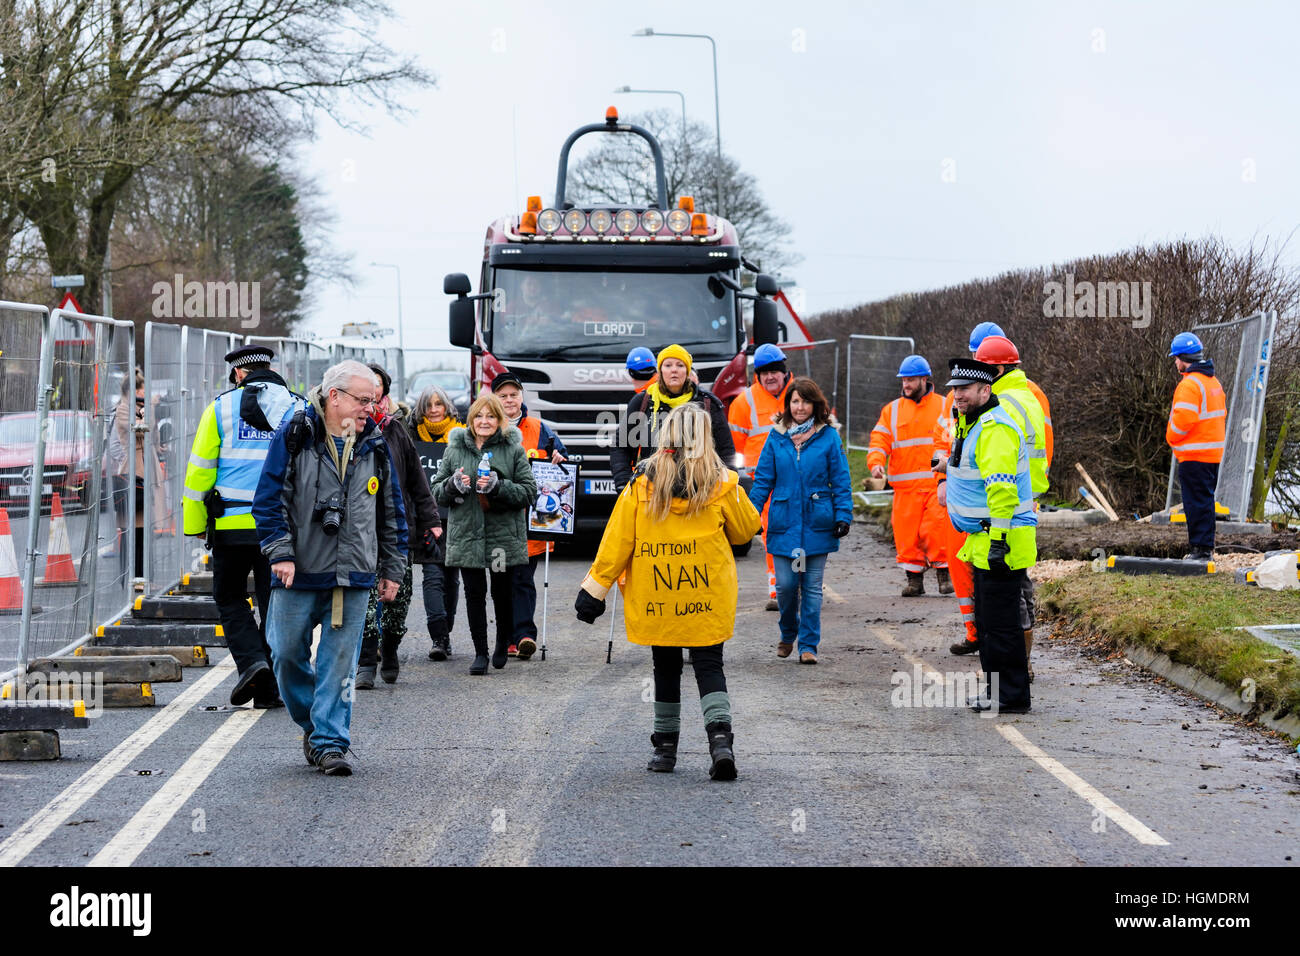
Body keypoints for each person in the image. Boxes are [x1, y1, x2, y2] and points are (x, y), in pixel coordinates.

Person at [574, 403, 762, 780]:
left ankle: (665, 749)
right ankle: (720, 743)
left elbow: (617, 542)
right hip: (706, 593)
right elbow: (745, 531)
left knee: (666, 667)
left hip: (658, 594)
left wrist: (594, 590)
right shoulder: (722, 482)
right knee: (710, 666)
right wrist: (738, 485)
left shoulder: (642, 483)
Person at [253, 360, 407, 776]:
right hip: (296, 571)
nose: (369, 409)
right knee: (285, 657)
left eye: (373, 401)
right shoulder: (296, 434)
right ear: (334, 396)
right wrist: (280, 552)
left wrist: (393, 568)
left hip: (353, 575)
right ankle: (313, 724)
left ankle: (329, 743)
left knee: (340, 666)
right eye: (362, 400)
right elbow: (268, 500)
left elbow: (391, 513)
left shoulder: (375, 445)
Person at [182, 345, 302, 708]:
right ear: (268, 368)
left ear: (238, 374)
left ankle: (252, 663)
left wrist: (196, 525)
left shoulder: (220, 409)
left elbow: (200, 472)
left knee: (230, 596)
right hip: (280, 528)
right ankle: (270, 690)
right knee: (273, 604)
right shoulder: (297, 407)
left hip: (230, 525)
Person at [942, 357, 1034, 714]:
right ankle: (997, 691)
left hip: (1001, 542)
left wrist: (998, 540)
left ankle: (1011, 696)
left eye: (964, 390)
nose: (957, 396)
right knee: (990, 626)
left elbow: (1002, 492)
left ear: (985, 390)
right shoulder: (974, 424)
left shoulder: (994, 428)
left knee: (1002, 626)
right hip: (983, 542)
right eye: (954, 390)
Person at [748, 378, 853, 663]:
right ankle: (788, 631)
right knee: (785, 586)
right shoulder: (776, 436)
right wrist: (750, 516)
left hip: (817, 525)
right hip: (784, 525)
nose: (800, 407)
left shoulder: (829, 436)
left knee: (811, 588)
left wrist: (843, 514)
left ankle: (808, 646)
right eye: (795, 401)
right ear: (788, 405)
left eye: (806, 401)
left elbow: (841, 479)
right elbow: (763, 481)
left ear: (814, 404)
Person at [431, 392, 537, 675]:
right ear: (471, 418)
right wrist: (453, 485)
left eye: (491, 416)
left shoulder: (512, 449)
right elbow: (437, 492)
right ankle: (481, 652)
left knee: (501, 592)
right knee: (474, 593)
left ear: (500, 419)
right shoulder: (454, 449)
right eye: (479, 415)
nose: (484, 421)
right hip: (467, 535)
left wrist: (498, 487)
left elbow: (529, 492)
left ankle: (503, 640)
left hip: (501, 537)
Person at [355, 364, 441, 689]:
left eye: (376, 385)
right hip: (359, 532)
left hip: (396, 529)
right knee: (362, 597)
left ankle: (389, 646)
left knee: (398, 598)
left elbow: (418, 480)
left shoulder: (395, 430)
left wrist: (431, 520)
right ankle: (365, 660)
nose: (371, 389)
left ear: (384, 393)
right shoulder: (349, 429)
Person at [973, 335, 1050, 680]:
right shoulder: (1029, 395)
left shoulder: (1002, 401)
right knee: (1020, 584)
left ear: (999, 369)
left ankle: (1017, 667)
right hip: (1028, 496)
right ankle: (1020, 664)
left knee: (1009, 590)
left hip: (1008, 501)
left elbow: (1001, 454)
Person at [490, 370, 567, 661]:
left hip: (532, 522)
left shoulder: (539, 428)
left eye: (514, 395)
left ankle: (524, 636)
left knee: (523, 579)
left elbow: (561, 458)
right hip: (497, 519)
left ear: (522, 396)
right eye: (503, 396)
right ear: (495, 399)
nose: (509, 400)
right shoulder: (487, 427)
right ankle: (506, 635)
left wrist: (560, 458)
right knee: (501, 581)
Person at [937, 322, 1003, 657]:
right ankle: (975, 632)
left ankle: (999, 650)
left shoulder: (1002, 406)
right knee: (962, 568)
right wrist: (944, 476)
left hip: (995, 513)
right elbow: (948, 444)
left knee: (998, 588)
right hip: (968, 510)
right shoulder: (960, 399)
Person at [867, 355, 949, 597]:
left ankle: (944, 576)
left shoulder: (944, 406)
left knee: (937, 531)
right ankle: (914, 581)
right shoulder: (891, 411)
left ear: (925, 379)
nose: (906, 385)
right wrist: (876, 463)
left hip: (935, 485)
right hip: (905, 490)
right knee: (907, 536)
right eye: (904, 380)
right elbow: (879, 440)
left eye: (911, 380)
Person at [609, 344, 735, 493]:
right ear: (660, 371)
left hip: (698, 494)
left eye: (680, 365)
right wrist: (623, 482)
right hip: (650, 492)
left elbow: (726, 451)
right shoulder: (642, 402)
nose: (674, 370)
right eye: (668, 365)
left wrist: (726, 487)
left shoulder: (707, 404)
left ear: (687, 371)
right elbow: (620, 445)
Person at [728, 343, 792, 611]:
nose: (770, 377)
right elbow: (734, 446)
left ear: (784, 371)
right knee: (773, 535)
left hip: (798, 480)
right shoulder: (745, 402)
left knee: (801, 535)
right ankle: (779, 589)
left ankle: (801, 585)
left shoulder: (802, 395)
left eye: (774, 371)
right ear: (758, 375)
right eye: (764, 372)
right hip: (764, 483)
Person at [410, 384, 464, 660]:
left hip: (456, 516)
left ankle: (446, 628)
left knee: (451, 577)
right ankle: (439, 636)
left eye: (438, 404)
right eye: (428, 405)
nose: (433, 410)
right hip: (425, 518)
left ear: (447, 407)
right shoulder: (412, 437)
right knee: (432, 575)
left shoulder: (461, 435)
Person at [1166, 332, 1226, 561]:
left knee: (1195, 503)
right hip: (1211, 453)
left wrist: (1171, 437)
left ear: (1183, 358)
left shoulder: (1189, 385)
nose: (1175, 362)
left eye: (1176, 358)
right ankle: (1204, 548)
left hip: (1194, 454)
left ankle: (1200, 551)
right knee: (1204, 502)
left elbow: (1183, 421)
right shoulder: (1213, 382)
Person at [114, 369, 168, 580]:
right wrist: (150, 407)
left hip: (149, 466)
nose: (146, 392)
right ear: (133, 390)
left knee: (147, 528)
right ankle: (131, 575)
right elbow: (140, 429)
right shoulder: (124, 409)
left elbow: (152, 433)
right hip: (133, 469)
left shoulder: (143, 408)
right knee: (132, 528)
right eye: (142, 388)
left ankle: (146, 575)